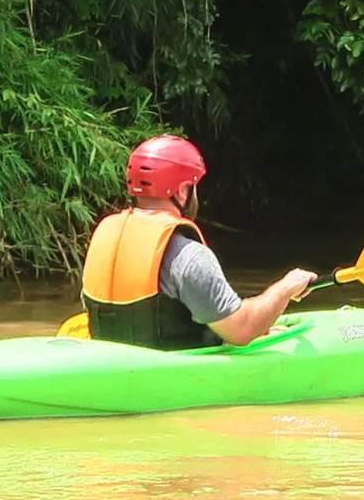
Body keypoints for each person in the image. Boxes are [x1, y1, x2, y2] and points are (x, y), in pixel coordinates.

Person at [79, 134, 316, 350]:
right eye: (194, 187)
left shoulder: (104, 236)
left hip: (112, 362)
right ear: (182, 191)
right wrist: (286, 288)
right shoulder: (188, 256)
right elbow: (242, 331)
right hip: (166, 375)